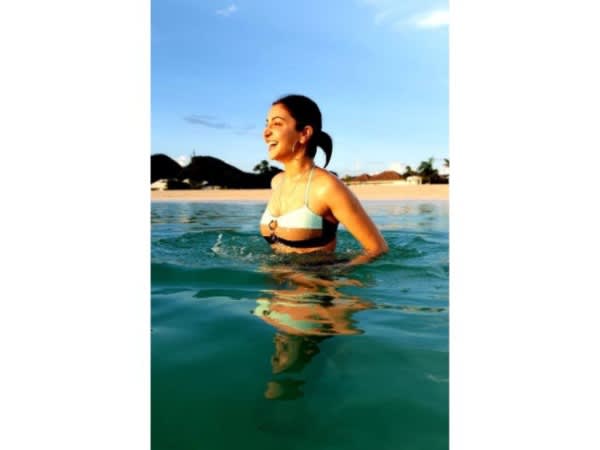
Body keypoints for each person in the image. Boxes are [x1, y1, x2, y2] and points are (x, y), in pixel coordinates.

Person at [260, 94, 388, 264]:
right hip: (273, 280)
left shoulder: (327, 187)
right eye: (266, 124)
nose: (266, 132)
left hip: (316, 280)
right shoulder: (277, 182)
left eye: (277, 123)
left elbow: (378, 248)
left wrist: (339, 272)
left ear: (304, 133)